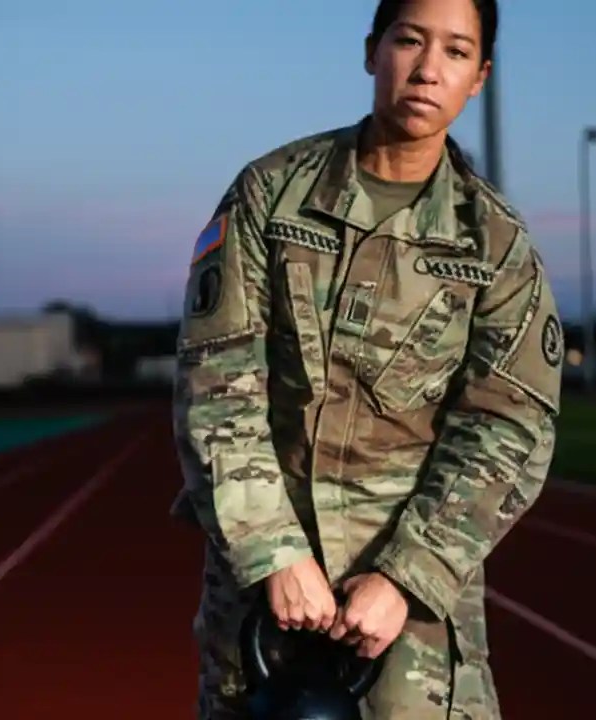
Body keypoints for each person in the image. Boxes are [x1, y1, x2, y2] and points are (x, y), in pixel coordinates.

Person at [170, 0, 562, 716]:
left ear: (479, 77)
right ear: (372, 51)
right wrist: (273, 553)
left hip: (406, 601)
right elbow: (219, 384)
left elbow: (508, 427)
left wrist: (407, 577)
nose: (427, 68)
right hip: (267, 590)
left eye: (455, 51)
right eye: (408, 40)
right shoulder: (273, 193)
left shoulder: (495, 246)